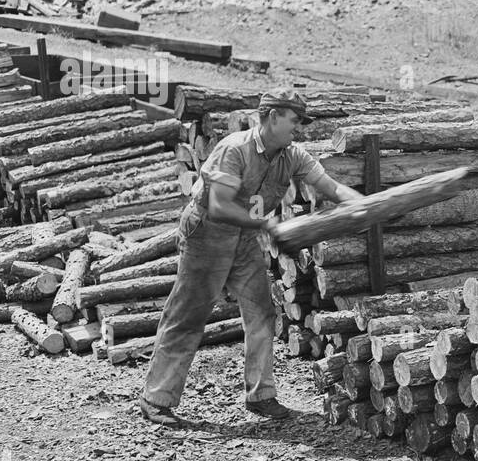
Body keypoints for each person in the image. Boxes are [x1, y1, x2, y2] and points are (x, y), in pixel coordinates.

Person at [138, 91, 363, 427]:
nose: (299, 128)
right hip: (206, 233)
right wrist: (264, 223)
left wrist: (369, 205)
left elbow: (330, 187)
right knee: (187, 315)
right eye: (295, 119)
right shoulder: (235, 148)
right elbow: (219, 205)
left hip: (243, 239)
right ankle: (157, 399)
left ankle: (260, 395)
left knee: (261, 313)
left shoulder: (292, 155)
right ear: (272, 117)